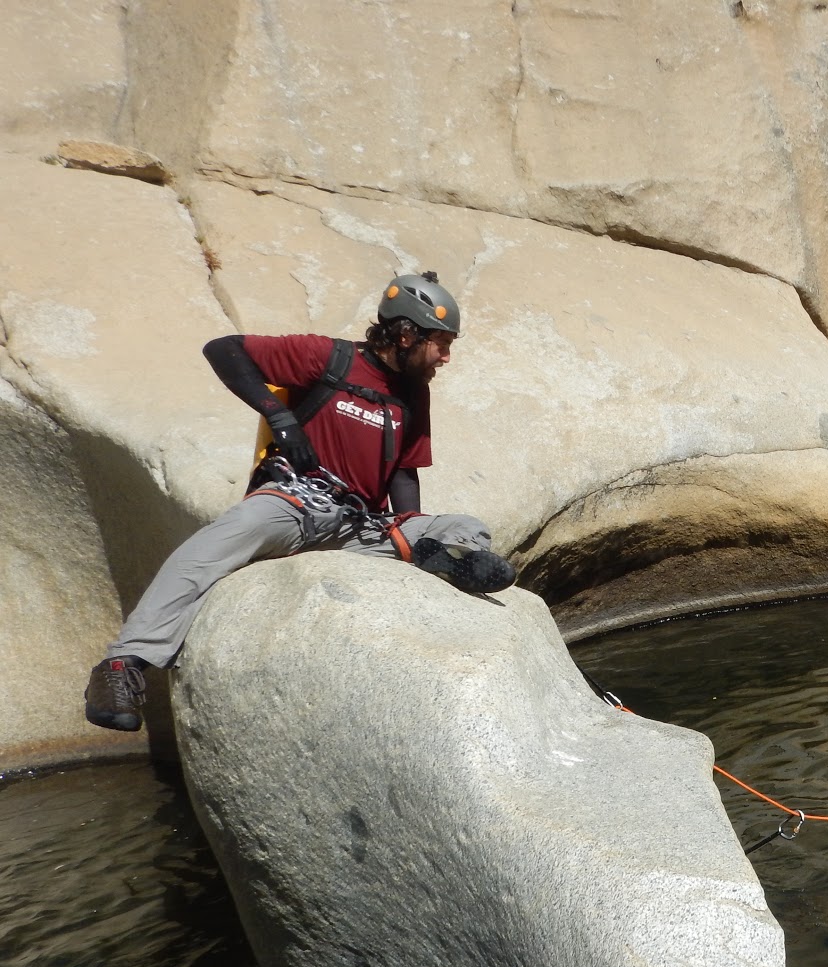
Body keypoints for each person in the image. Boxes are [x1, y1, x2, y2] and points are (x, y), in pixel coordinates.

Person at [84, 271, 515, 733]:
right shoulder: (329, 358)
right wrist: (280, 418)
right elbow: (223, 349)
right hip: (296, 501)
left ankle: (446, 560)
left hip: (361, 526)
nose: (446, 357)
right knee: (223, 540)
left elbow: (404, 472)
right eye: (441, 344)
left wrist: (409, 528)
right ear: (407, 334)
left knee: (460, 525)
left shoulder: (413, 394)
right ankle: (121, 667)